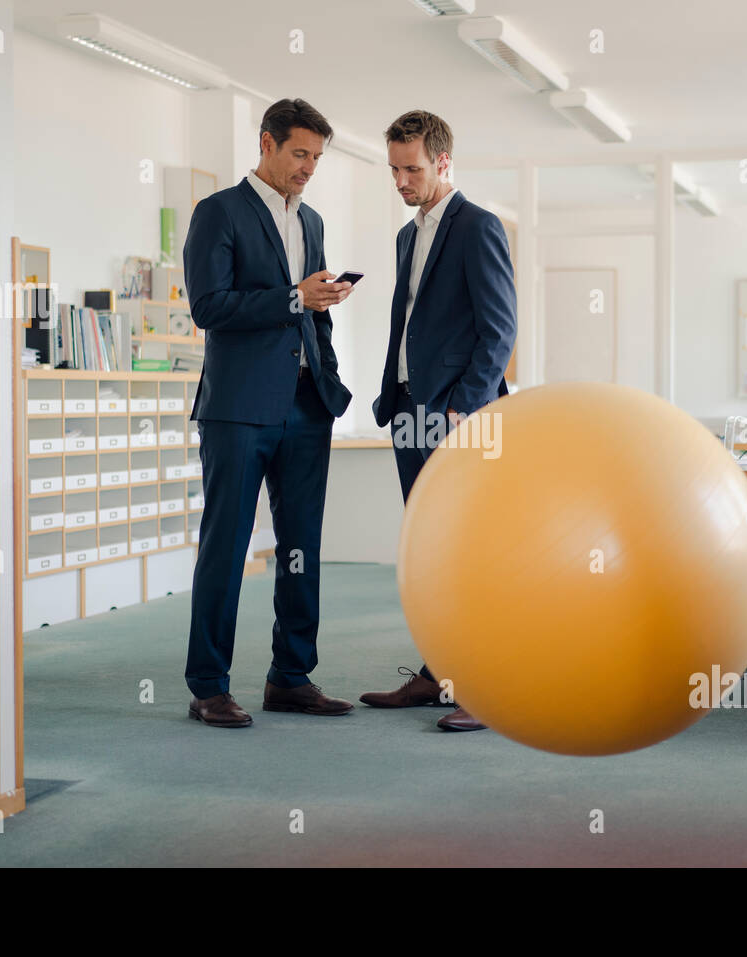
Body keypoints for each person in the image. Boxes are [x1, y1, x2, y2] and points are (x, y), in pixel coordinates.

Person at [184, 98, 355, 728]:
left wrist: (325, 355)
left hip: (307, 406)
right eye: (299, 153)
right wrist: (292, 297)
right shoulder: (219, 212)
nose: (309, 167)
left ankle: (291, 677)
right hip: (239, 408)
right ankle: (208, 685)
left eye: (317, 157)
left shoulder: (310, 220)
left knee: (301, 546)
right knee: (226, 546)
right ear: (266, 144)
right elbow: (209, 306)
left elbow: (312, 312)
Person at [360, 110, 517, 732]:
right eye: (394, 170)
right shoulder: (409, 235)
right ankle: (438, 671)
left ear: (443, 162)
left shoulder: (478, 227)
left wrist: (463, 406)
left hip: (459, 416)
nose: (401, 181)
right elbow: (409, 324)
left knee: (471, 550)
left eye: (412, 169)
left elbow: (499, 329)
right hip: (408, 410)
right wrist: (393, 397)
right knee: (429, 550)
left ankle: (485, 685)